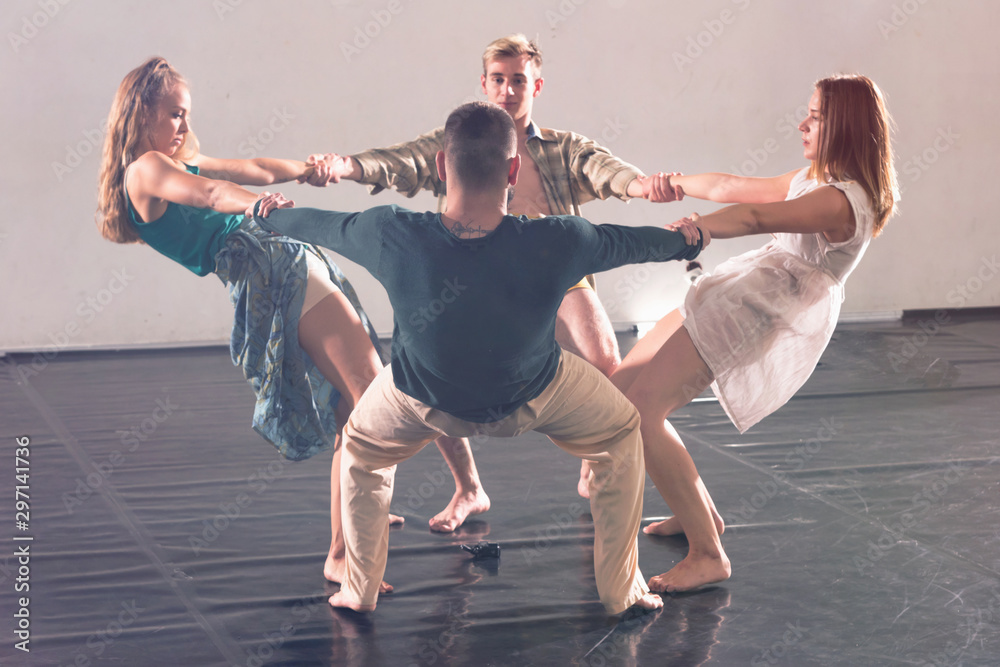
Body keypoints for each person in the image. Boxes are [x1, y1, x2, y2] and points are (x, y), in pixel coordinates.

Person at [250, 101, 706, 615]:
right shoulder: (561, 239)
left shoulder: (390, 232)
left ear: (442, 167)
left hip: (421, 401)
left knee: (360, 449)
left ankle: (358, 589)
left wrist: (269, 213)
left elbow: (316, 224)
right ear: (513, 170)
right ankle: (622, 592)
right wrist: (688, 238)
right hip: (535, 397)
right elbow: (637, 243)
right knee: (622, 430)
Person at [95, 57, 490, 593]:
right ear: (140, 111)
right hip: (274, 270)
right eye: (174, 114)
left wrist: (308, 169)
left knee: (356, 404)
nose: (184, 126)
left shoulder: (178, 159)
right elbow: (213, 196)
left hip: (285, 263)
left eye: (186, 114)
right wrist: (260, 207)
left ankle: (357, 518)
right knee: (372, 394)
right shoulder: (144, 171)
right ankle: (342, 551)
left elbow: (251, 168)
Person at [304, 34, 681, 499]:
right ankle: (467, 488)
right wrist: (340, 166)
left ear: (536, 86)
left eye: (518, 80)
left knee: (605, 363)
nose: (508, 90)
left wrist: (648, 187)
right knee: (436, 369)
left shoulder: (563, 148)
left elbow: (609, 173)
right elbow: (391, 163)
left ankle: (598, 462)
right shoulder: (455, 142)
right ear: (484, 84)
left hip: (549, 267)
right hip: (473, 266)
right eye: (499, 80)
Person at [611, 73, 898, 593]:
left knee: (642, 413)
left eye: (815, 116)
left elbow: (754, 217)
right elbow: (732, 188)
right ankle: (695, 511)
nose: (802, 124)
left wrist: (699, 230)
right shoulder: (815, 176)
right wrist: (675, 183)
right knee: (620, 387)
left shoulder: (844, 200)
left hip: (757, 309)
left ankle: (708, 553)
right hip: (738, 291)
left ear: (847, 126)